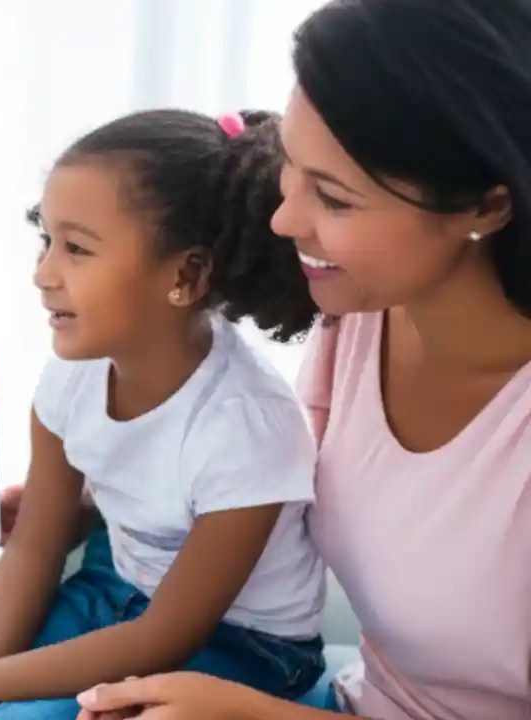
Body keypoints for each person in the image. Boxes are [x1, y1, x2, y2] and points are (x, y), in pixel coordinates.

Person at [72, 1, 531, 718]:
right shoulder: (365, 320)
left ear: (487, 207)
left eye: (335, 198)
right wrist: (118, 490)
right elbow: (285, 479)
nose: (286, 219)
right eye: (291, 165)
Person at [0, 107, 328, 720]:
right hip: (111, 588)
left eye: (77, 249)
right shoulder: (70, 379)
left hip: (243, 645)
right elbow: (34, 550)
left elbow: (165, 636)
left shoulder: (246, 428)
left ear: (186, 273)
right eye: (47, 240)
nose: (43, 274)